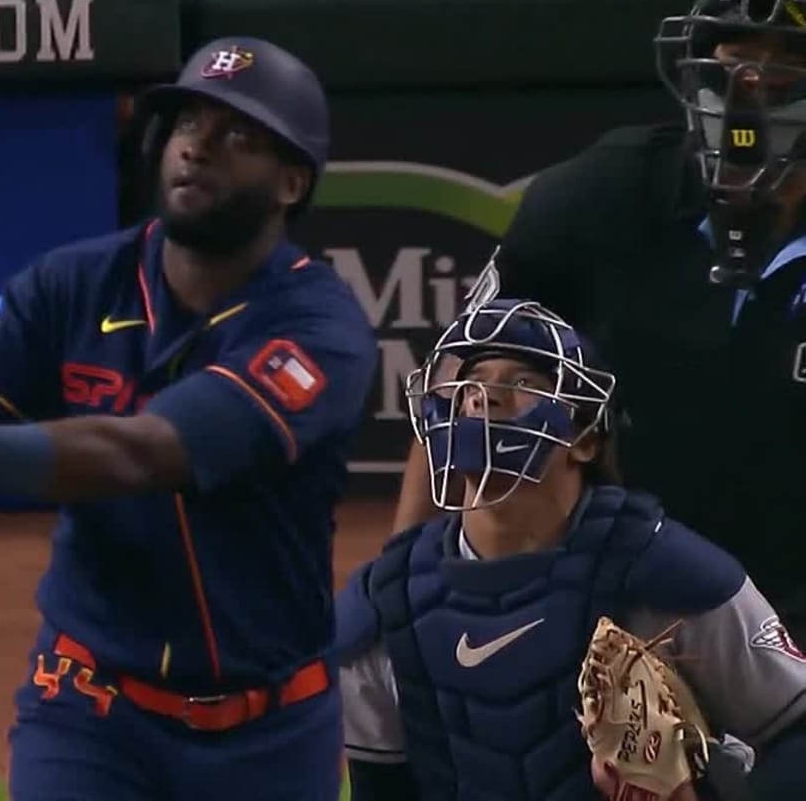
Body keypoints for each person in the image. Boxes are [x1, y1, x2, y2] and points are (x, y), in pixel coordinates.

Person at [0, 37, 377, 800]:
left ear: (290, 183)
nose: (195, 148)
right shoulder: (72, 283)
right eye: (185, 125)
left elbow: (145, 454)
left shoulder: (319, 329)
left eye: (234, 136)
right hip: (89, 711)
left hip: (269, 735)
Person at [390, 0, 806, 634]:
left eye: (782, 72)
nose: (746, 94)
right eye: (728, 63)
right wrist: (400, 606)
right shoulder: (600, 199)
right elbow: (455, 385)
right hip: (621, 612)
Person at [337, 297, 806, 801]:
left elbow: (796, 732)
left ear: (584, 439)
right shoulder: (385, 606)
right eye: (470, 386)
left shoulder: (667, 575)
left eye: (521, 385)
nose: (484, 398)